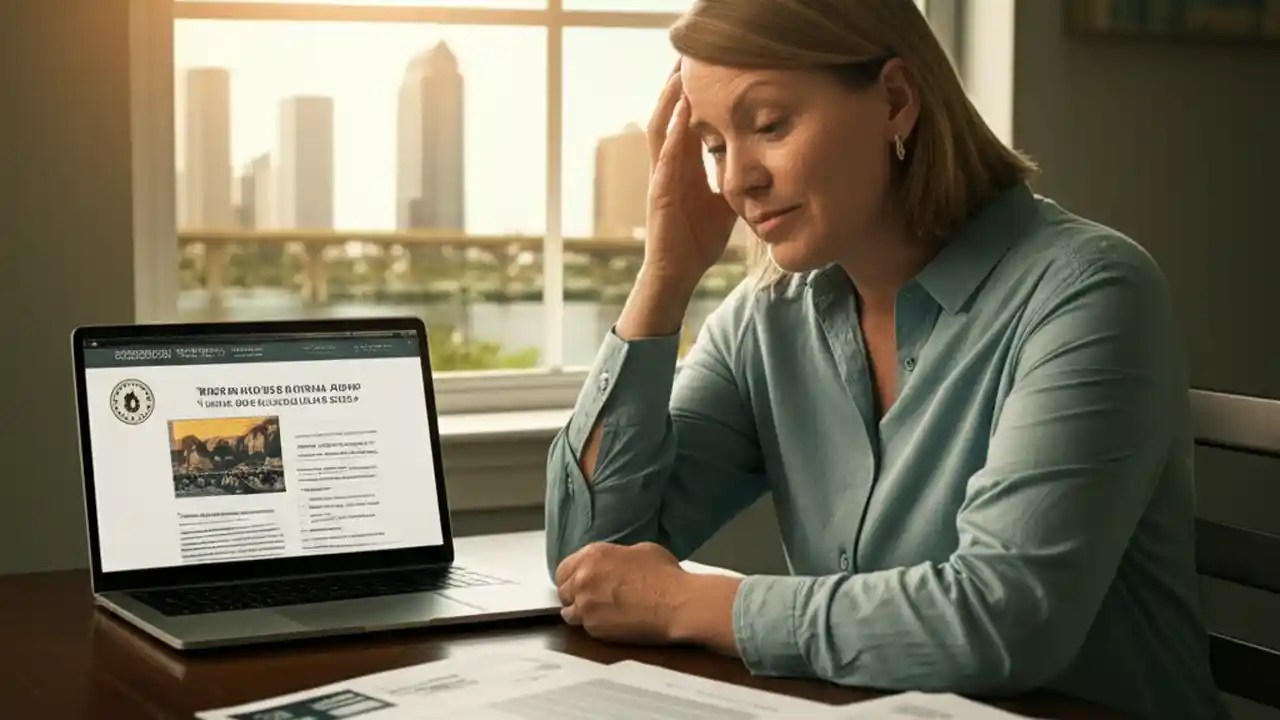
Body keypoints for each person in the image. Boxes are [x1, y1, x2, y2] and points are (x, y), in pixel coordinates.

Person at [544, 1, 1226, 718]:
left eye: (769, 124)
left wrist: (699, 603)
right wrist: (664, 275)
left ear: (895, 101)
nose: (734, 179)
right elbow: (591, 567)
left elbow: (1005, 620)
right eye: (713, 146)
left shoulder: (1089, 291)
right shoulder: (766, 318)